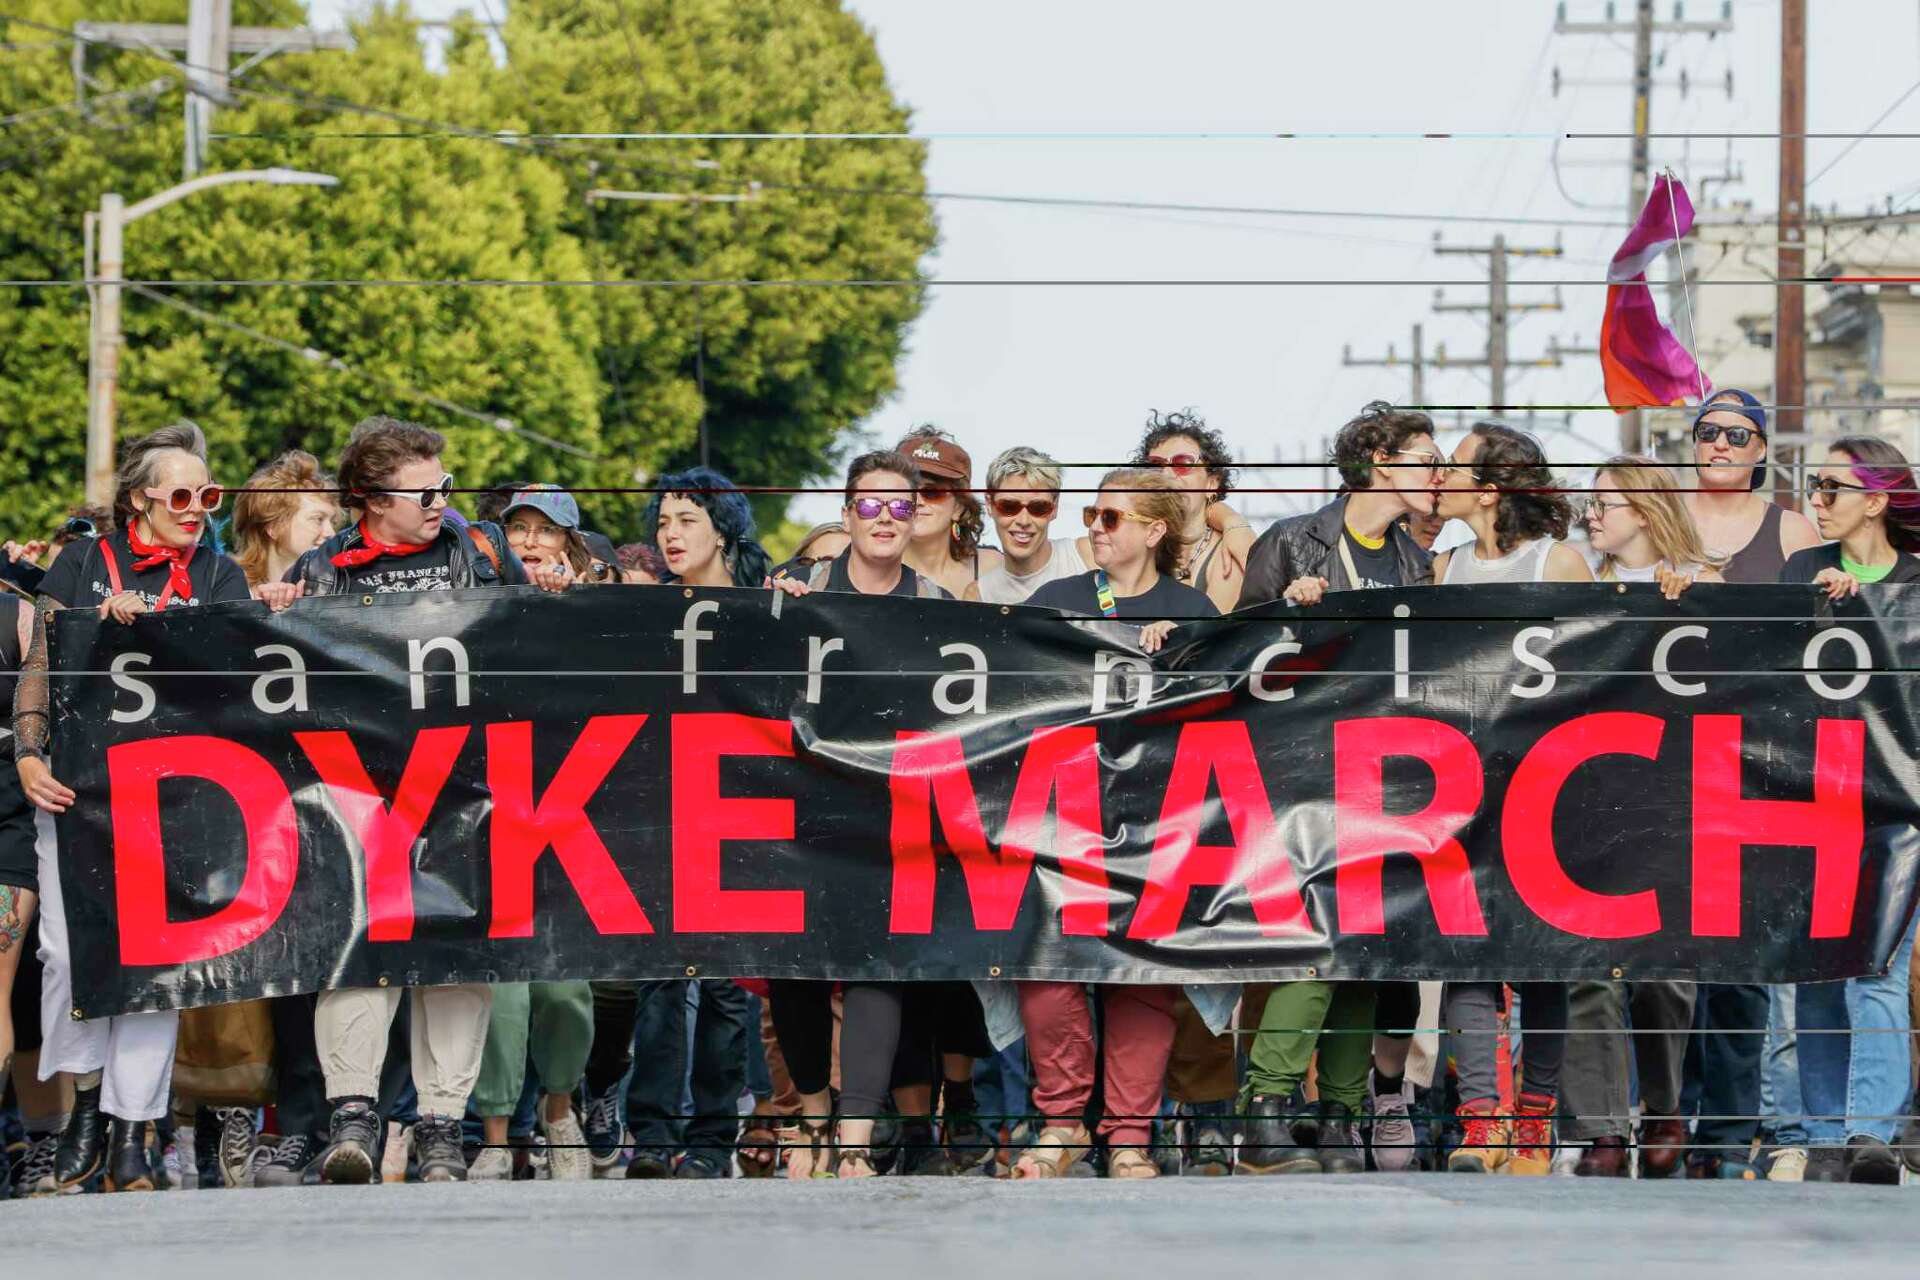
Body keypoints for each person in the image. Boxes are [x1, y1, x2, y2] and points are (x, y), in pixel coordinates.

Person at [284, 415, 569, 1185]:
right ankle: (352, 1117)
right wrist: (270, 611)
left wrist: (553, 597)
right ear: (372, 499)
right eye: (424, 492)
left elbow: (533, 647)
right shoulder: (322, 566)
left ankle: (442, 1125)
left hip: (468, 785)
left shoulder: (481, 547)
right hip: (360, 785)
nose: (442, 500)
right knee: (354, 941)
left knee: (457, 945)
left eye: (445, 485)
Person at [14, 422, 254, 1192]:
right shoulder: (83, 561)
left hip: (179, 792)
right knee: (66, 954)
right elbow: (41, 661)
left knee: (156, 963)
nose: (198, 510)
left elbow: (237, 676)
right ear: (140, 499)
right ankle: (85, 1103)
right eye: (182, 495)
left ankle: (131, 1131)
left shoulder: (220, 573)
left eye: (208, 495)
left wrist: (166, 628)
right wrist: (27, 752)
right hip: (78, 786)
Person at [1235, 401, 1441, 1175]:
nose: (1439, 476)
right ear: (1379, 463)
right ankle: (1266, 1109)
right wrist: (1285, 623)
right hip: (1303, 776)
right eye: (1426, 461)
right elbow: (1231, 658)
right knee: (1319, 937)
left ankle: (1341, 1117)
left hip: (1389, 777)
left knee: (1368, 948)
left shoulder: (1415, 562)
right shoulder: (1292, 542)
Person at [1009, 469, 1216, 1178]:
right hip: (1059, 818)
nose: (1095, 528)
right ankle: (1062, 1125)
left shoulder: (1190, 608)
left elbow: (1227, 704)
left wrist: (1185, 650)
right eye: (1092, 515)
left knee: (1141, 978)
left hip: (1159, 824)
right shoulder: (1059, 600)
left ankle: (1129, 1135)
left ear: (1155, 531)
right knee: (1046, 973)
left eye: (1112, 518)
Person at [577, 469, 771, 1180]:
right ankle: (654, 1138)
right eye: (663, 521)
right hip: (661, 811)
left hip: (745, 813)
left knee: (726, 987)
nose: (670, 534)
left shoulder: (767, 609)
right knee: (660, 978)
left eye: (686, 519)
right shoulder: (645, 612)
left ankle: (713, 1143)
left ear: (724, 529)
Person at [769, 450, 958, 1178]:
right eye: (870, 505)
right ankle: (813, 1118)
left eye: (899, 506)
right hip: (798, 806)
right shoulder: (797, 589)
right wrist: (772, 611)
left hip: (892, 811)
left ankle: (854, 1138)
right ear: (847, 514)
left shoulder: (939, 604)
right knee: (793, 966)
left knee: (879, 962)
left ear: (916, 518)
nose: (885, 518)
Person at [1428, 424, 1590, 1175]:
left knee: (1542, 957)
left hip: (1547, 784)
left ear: (1490, 490)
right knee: (1465, 951)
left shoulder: (1558, 562)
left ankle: (1534, 1120)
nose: (1442, 476)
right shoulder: (1446, 567)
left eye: (1457, 466)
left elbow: (1599, 662)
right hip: (1463, 788)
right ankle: (1481, 1121)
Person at [1563, 456, 1721, 1177]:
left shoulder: (1704, 581)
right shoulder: (1578, 586)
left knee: (1664, 970)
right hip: (1585, 795)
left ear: (1648, 510)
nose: (1592, 515)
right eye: (1591, 503)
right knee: (1589, 971)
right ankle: (1601, 1130)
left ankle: (1662, 1107)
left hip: (1674, 801)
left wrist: (1689, 607)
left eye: (1606, 503)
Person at [1678, 391, 1819, 1176]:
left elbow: (1819, 639)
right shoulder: (1664, 520)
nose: (1722, 445)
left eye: (1739, 434)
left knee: (1742, 961)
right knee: (1668, 963)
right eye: (1709, 432)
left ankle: (1730, 1136)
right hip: (1665, 760)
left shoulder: (1790, 530)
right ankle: (1667, 1119)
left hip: (1760, 763)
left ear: (1762, 448)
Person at [1774, 436, 1920, 1184]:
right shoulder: (1800, 570)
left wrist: (1865, 613)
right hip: (1811, 800)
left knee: (1879, 968)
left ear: (1878, 500)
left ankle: (1871, 1134)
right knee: (1816, 971)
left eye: (1832, 487)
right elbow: (1762, 674)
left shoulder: (1917, 584)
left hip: (1897, 808)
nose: (1818, 500)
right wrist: (1811, 607)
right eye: (1815, 485)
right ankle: (1826, 1135)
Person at [1131, 408, 1253, 614]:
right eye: (1155, 466)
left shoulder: (1227, 551)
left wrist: (1233, 522)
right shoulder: (1135, 543)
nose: (1166, 475)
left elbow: (1209, 631)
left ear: (1211, 484)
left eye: (1183, 464)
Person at [966, 447, 1093, 604]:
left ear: (1054, 507)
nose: (1024, 521)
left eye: (1038, 508)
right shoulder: (979, 595)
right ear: (989, 504)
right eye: (1009, 506)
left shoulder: (1088, 556)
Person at [895, 428, 1003, 598]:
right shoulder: (864, 565)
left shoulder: (992, 568)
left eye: (932, 492)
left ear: (959, 507)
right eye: (907, 491)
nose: (918, 501)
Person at [500, 484, 622, 585]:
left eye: (547, 530)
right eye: (519, 527)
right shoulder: (490, 580)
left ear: (568, 543)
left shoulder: (588, 588)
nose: (529, 542)